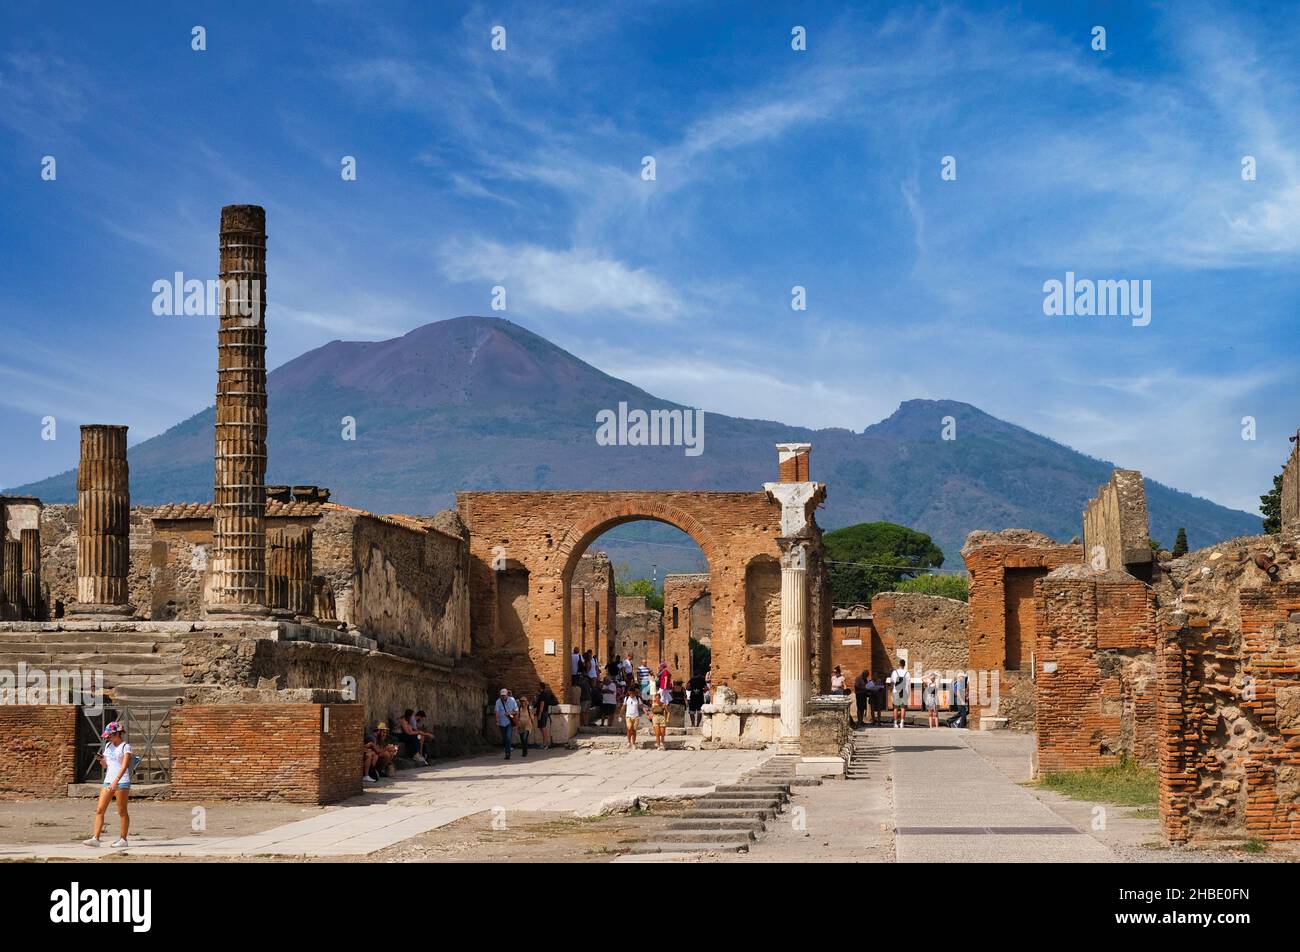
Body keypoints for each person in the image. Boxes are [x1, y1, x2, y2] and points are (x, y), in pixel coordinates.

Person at [84, 721, 132, 848]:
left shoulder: (125, 747)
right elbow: (107, 765)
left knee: (122, 811)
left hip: (121, 782)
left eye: (109, 735)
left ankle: (123, 839)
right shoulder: (108, 746)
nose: (107, 737)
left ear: (117, 733)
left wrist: (116, 781)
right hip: (108, 780)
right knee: (100, 809)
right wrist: (102, 761)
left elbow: (124, 766)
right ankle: (95, 838)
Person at [495, 688, 519, 759]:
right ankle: (507, 749)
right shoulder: (498, 702)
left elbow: (516, 711)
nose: (503, 697)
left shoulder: (512, 700)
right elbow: (497, 712)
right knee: (505, 738)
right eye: (502, 696)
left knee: (508, 737)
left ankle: (507, 753)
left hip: (509, 722)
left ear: (507, 694)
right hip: (501, 722)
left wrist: (510, 713)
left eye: (504, 695)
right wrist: (497, 720)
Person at [535, 682, 559, 749]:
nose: (537, 687)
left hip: (543, 713)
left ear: (540, 687)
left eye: (538, 686)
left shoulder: (543, 695)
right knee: (541, 728)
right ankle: (544, 742)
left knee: (543, 728)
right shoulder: (543, 694)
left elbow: (542, 705)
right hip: (544, 712)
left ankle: (546, 743)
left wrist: (539, 714)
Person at [888, 659, 910, 728]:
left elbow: (892, 682)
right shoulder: (907, 673)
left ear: (899, 664)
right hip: (904, 691)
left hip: (896, 691)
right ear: (904, 664)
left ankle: (895, 723)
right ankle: (902, 723)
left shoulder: (894, 672)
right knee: (903, 708)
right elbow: (908, 684)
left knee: (895, 708)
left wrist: (892, 691)